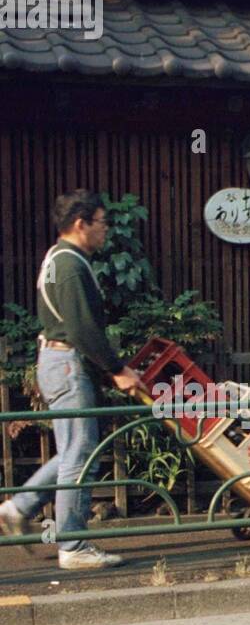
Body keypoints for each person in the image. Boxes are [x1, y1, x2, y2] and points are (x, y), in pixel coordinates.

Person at [0, 190, 141, 568]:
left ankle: (18, 507)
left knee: (72, 452)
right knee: (81, 455)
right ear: (81, 224)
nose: (106, 231)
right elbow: (81, 328)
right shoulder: (70, 264)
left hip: (57, 360)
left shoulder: (58, 258)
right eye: (102, 223)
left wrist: (112, 367)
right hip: (66, 361)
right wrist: (116, 369)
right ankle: (74, 547)